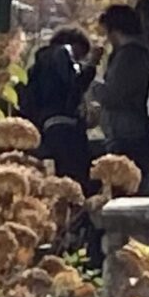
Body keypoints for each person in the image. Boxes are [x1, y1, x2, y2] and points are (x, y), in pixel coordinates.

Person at [91, 3, 149, 191]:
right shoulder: (142, 53)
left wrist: (93, 84)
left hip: (127, 133)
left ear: (115, 30)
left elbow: (114, 95)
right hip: (132, 131)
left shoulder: (130, 56)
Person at [24, 28, 95, 185]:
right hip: (64, 124)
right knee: (76, 176)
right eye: (79, 55)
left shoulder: (40, 63)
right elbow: (74, 86)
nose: (78, 60)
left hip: (46, 123)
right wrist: (91, 67)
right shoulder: (62, 53)